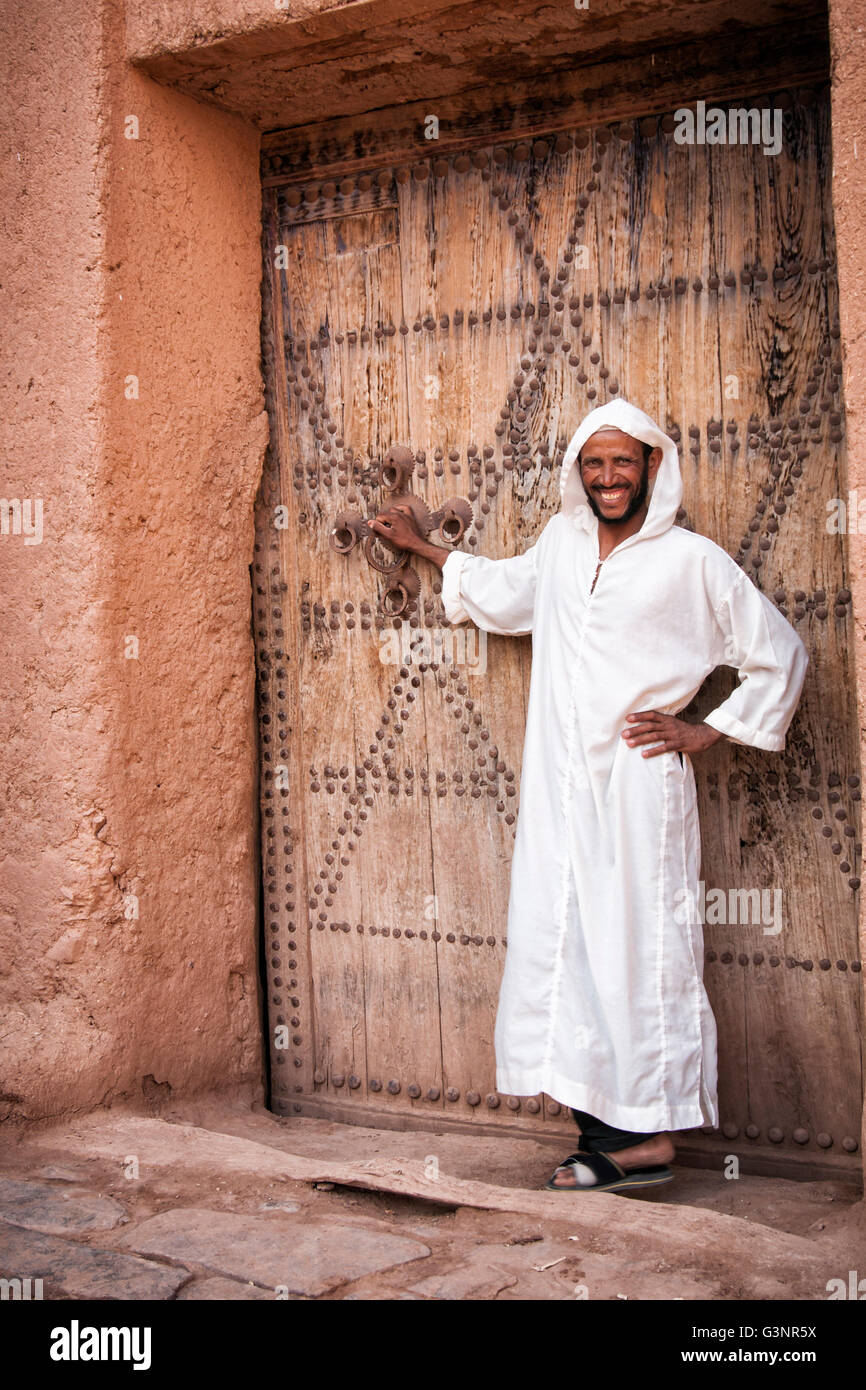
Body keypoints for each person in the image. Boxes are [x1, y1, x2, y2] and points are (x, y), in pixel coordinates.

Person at [369, 399, 809, 1194]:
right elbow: (505, 593)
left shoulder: (692, 563)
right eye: (595, 463)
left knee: (637, 952)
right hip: (558, 793)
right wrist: (425, 549)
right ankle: (608, 1137)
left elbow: (779, 653)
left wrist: (704, 731)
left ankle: (646, 1139)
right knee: (566, 947)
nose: (609, 477)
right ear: (582, 471)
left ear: (651, 468)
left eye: (624, 463)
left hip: (638, 792)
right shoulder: (564, 548)